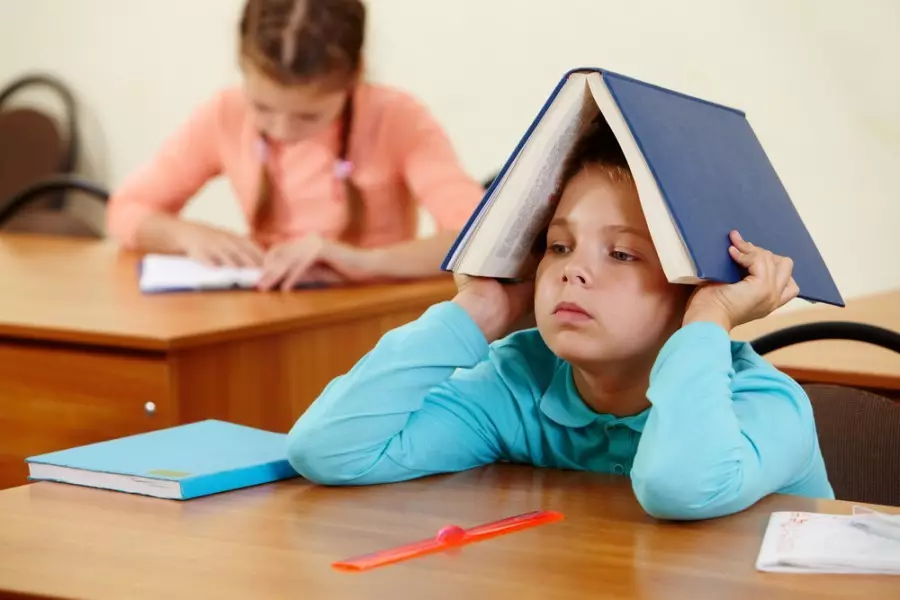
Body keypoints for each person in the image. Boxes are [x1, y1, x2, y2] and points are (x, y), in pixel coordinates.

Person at [284, 114, 834, 521]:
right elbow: (329, 449)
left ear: (696, 284)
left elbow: (681, 488)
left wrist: (709, 319)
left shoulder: (765, 404)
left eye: (621, 254)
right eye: (558, 246)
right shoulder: (518, 384)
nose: (573, 273)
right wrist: (477, 311)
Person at [106, 0, 485, 291]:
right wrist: (188, 235)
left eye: (309, 117)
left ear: (354, 76)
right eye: (263, 108)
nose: (282, 129)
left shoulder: (396, 117)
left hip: (370, 325)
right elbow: (125, 210)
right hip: (269, 318)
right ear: (242, 66)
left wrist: (359, 262)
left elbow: (475, 236)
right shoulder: (226, 113)